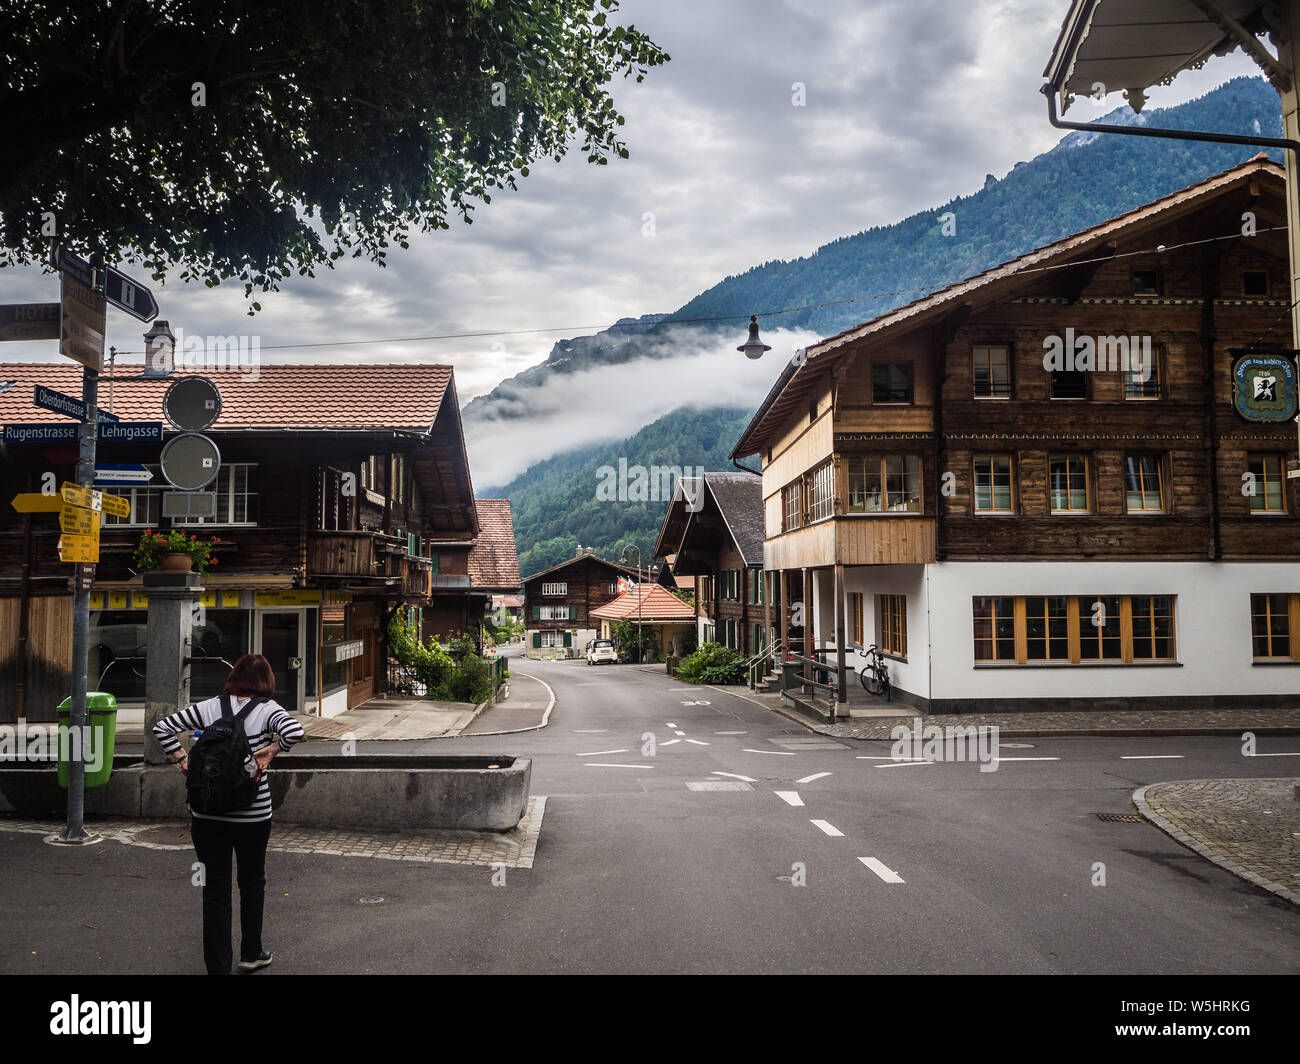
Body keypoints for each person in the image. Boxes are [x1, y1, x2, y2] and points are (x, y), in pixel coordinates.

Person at [152, 653, 305, 975]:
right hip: (252, 815)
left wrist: (182, 758)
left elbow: (163, 726)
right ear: (266, 682)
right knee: (252, 883)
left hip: (207, 815)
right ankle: (252, 953)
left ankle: (217, 968)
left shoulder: (209, 707)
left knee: (215, 889)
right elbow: (294, 732)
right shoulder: (268, 710)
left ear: (234, 677)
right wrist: (271, 750)